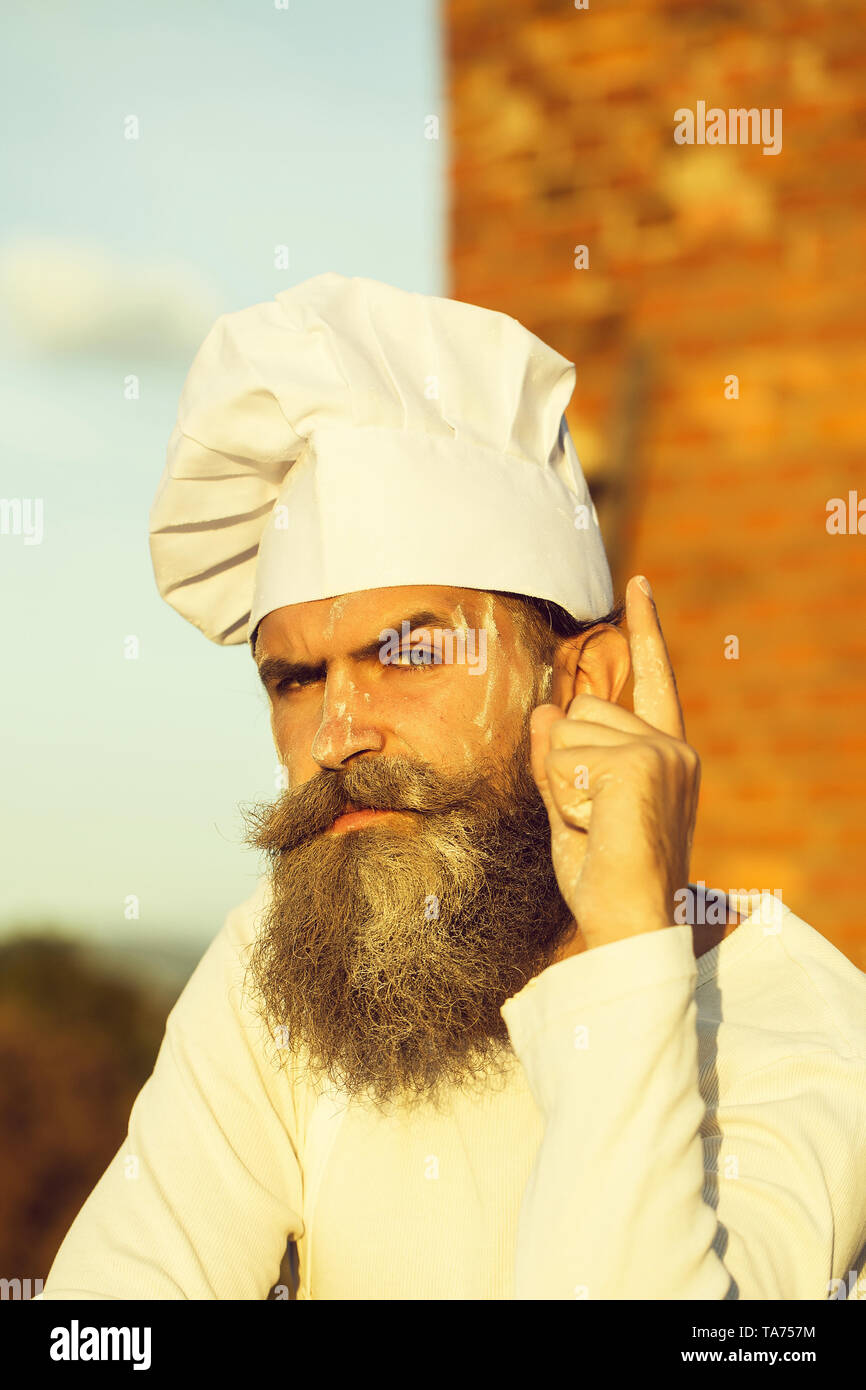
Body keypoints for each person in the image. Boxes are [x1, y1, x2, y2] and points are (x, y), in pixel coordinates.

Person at [42, 273, 866, 1300]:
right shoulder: (282, 966)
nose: (336, 735)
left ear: (583, 685)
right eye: (296, 678)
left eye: (407, 651)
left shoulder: (793, 1034)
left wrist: (620, 943)